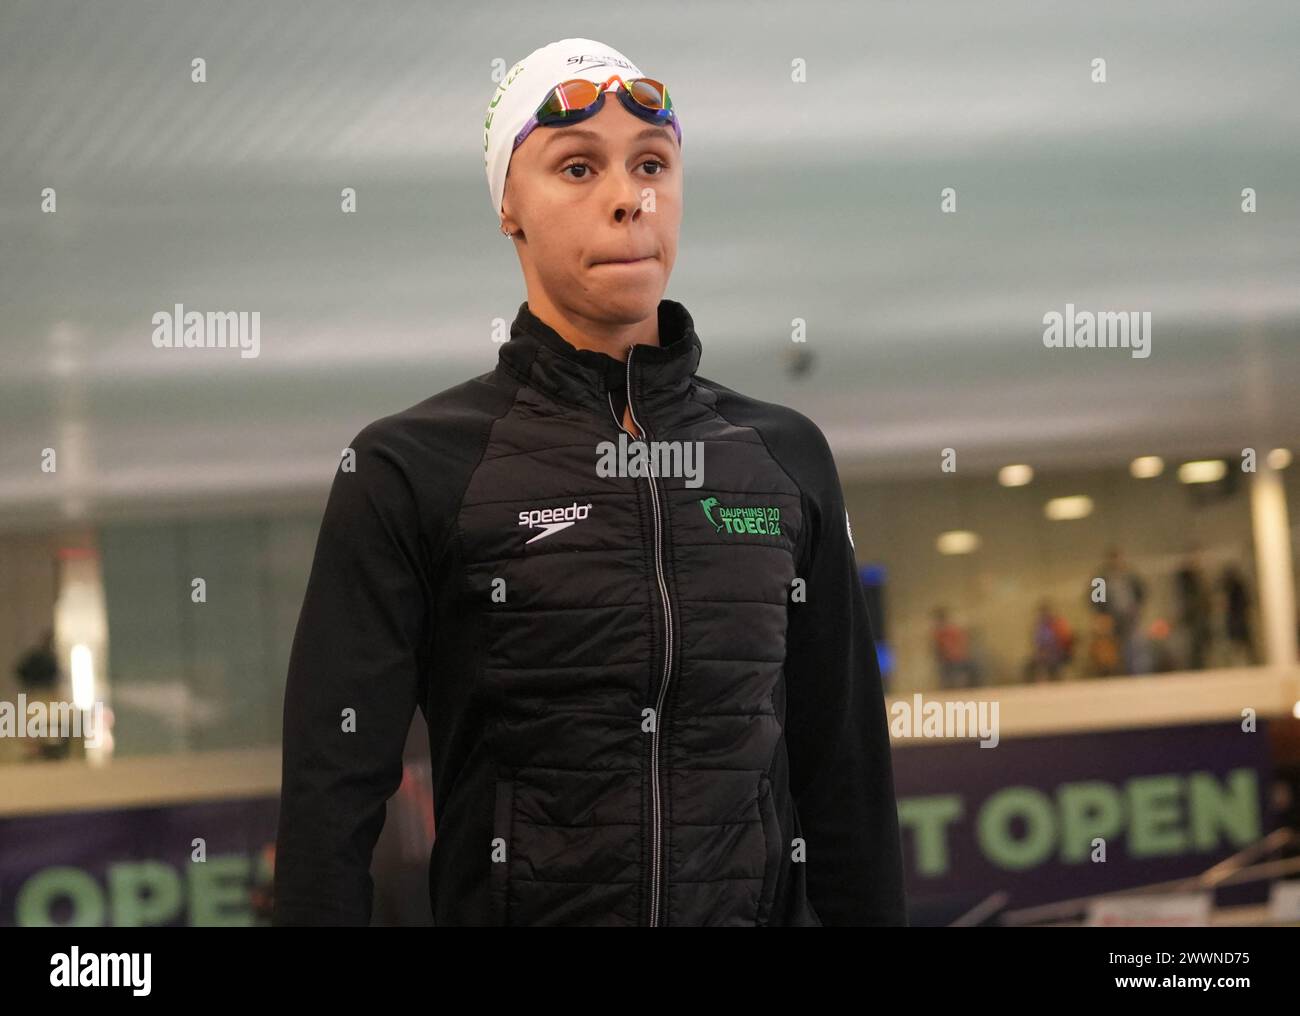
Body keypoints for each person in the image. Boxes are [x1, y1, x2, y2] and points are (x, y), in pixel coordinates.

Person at [272, 38, 906, 927]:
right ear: (508, 207)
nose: (628, 197)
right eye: (577, 167)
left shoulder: (783, 457)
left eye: (653, 164)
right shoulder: (411, 470)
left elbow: (846, 783)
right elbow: (330, 800)